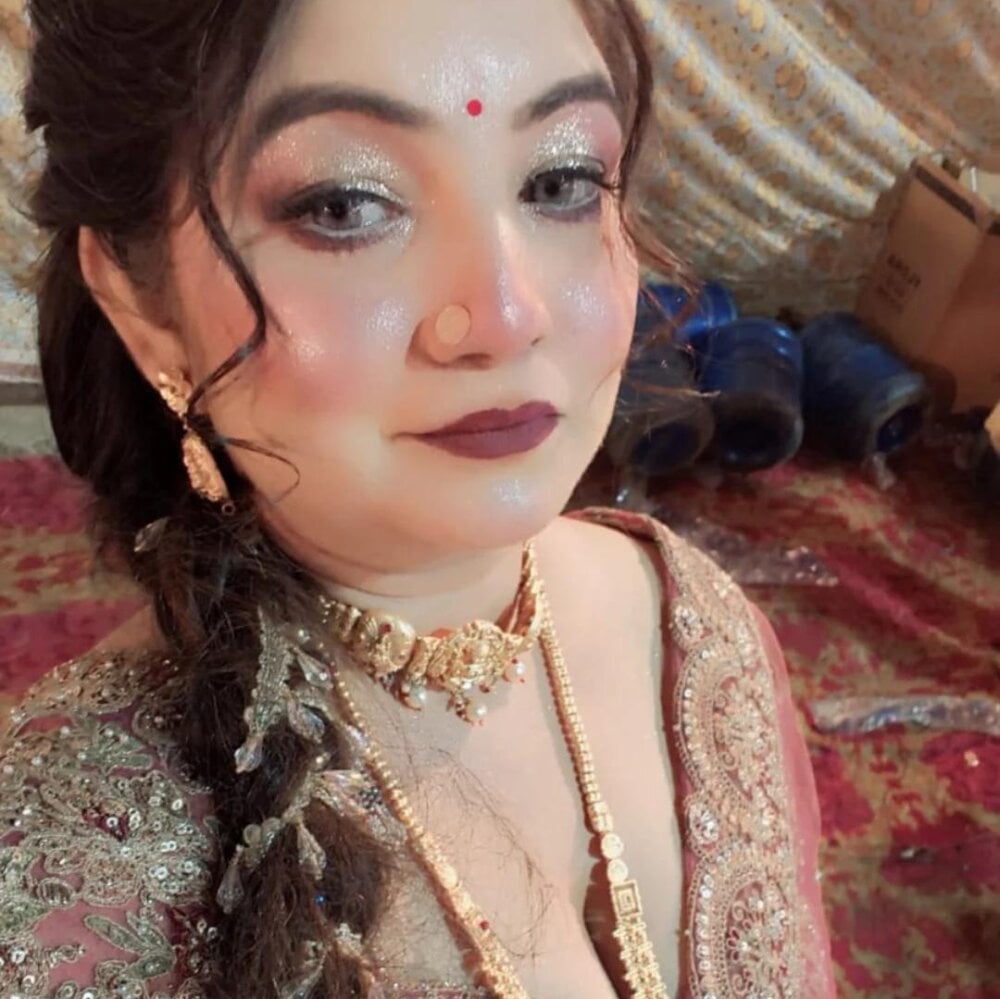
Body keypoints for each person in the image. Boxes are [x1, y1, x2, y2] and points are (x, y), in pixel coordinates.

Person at [0, 0, 836, 996]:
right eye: (344, 205)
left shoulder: (696, 622)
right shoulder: (66, 879)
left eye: (561, 181)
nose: (508, 315)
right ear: (143, 303)